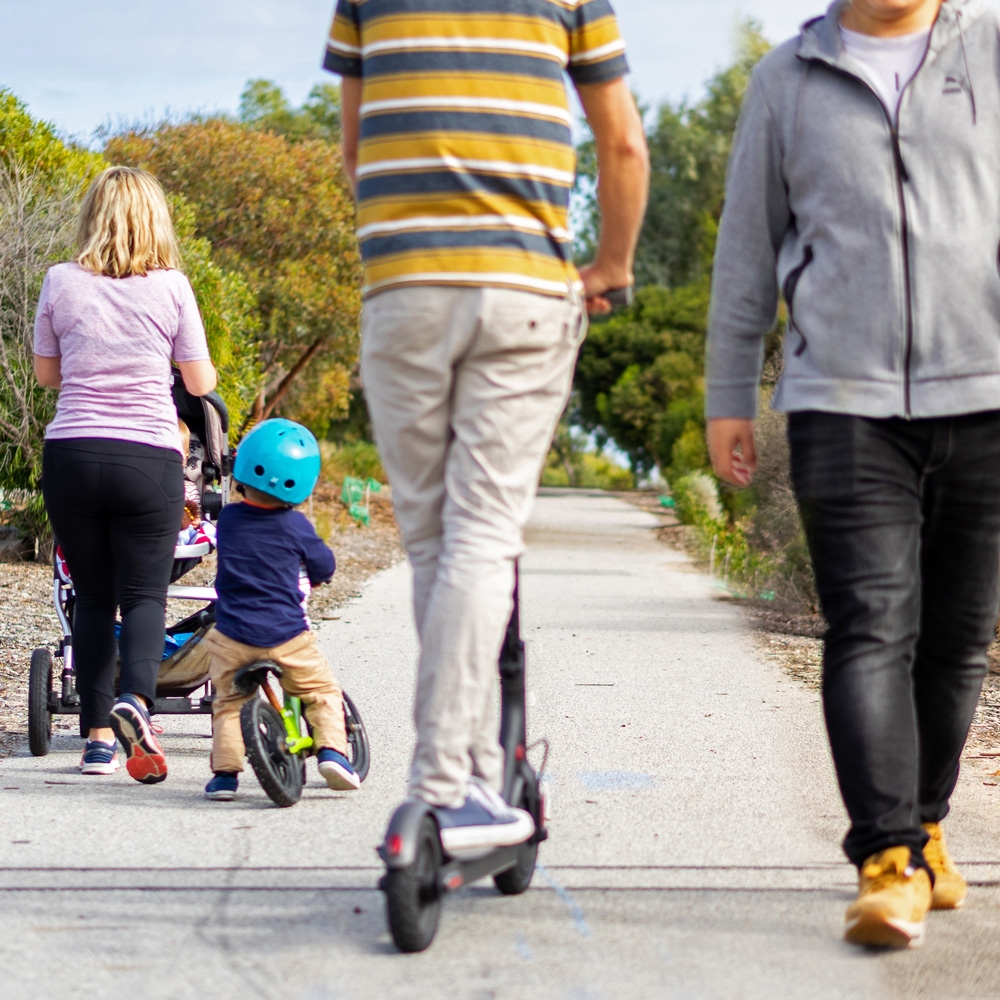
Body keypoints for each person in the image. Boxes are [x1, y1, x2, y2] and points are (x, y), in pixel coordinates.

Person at [706, 0, 1000, 949]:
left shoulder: (989, 48)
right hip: (842, 399)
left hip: (987, 392)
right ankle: (885, 859)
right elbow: (748, 245)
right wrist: (727, 395)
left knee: (957, 641)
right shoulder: (787, 80)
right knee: (871, 626)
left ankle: (924, 823)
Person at [323, 0, 648, 849]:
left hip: (404, 290)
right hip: (525, 291)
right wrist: (611, 264)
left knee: (434, 543)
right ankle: (443, 781)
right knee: (483, 537)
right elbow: (621, 143)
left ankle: (467, 767)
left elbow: (357, 154)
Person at [33, 165, 217, 783]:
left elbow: (47, 376)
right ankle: (135, 702)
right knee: (144, 595)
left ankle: (96, 744)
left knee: (92, 596)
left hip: (74, 454)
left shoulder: (60, 280)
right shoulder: (171, 288)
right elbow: (200, 383)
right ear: (154, 221)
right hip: (147, 457)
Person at [202, 418, 359, 801]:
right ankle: (333, 752)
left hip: (232, 635)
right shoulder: (297, 526)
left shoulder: (229, 519)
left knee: (228, 703)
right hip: (286, 636)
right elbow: (323, 566)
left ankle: (224, 776)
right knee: (320, 690)